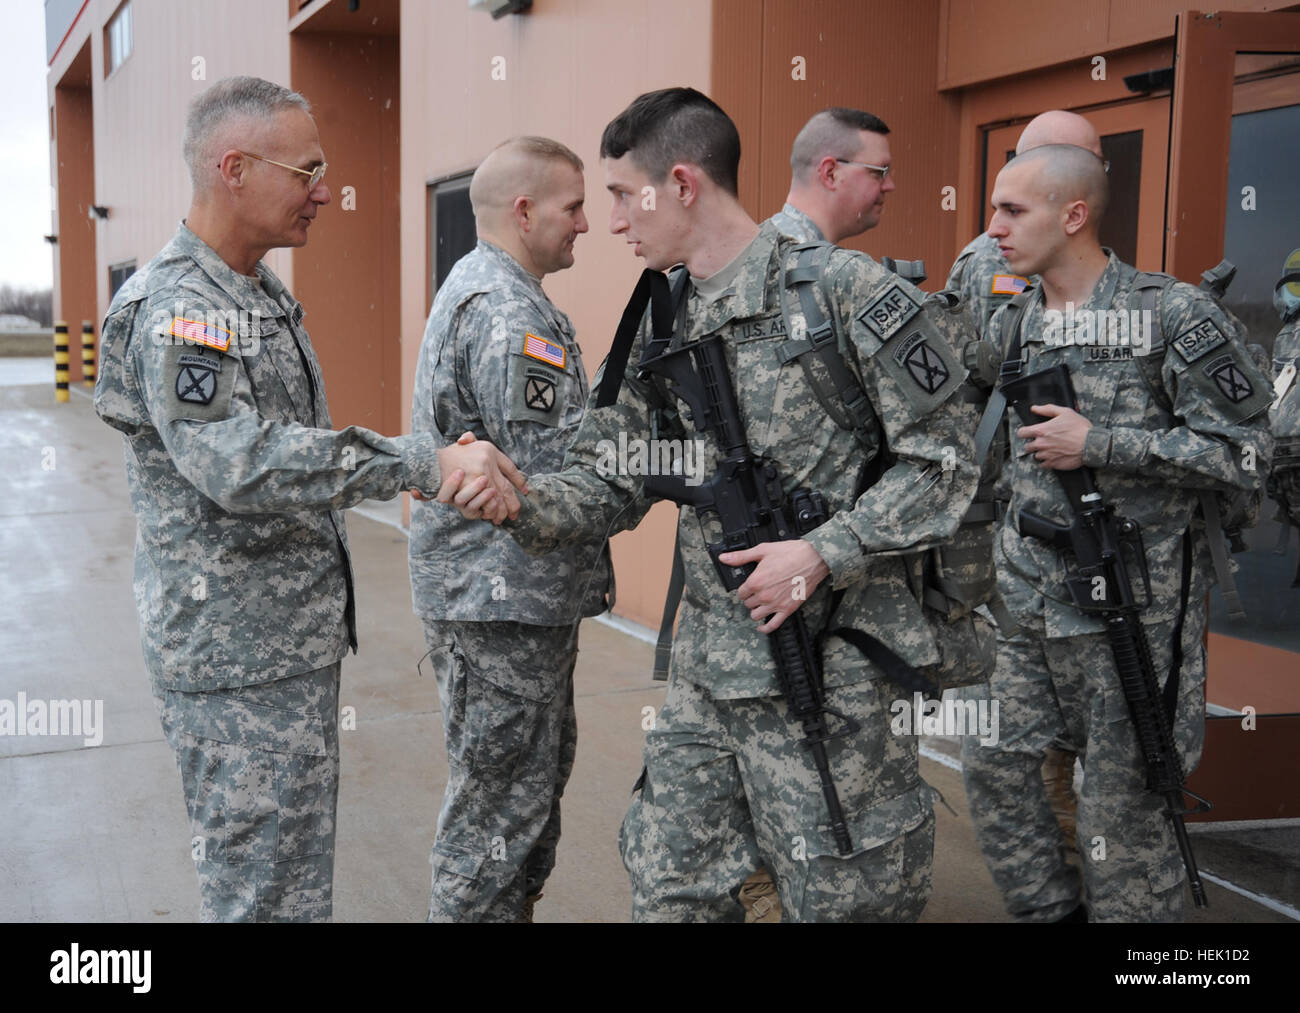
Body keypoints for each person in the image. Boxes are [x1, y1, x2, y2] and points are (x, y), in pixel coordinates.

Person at [445, 87, 979, 922]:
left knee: (846, 900)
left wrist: (822, 551)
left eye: (624, 195)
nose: (610, 220)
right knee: (669, 887)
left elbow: (946, 460)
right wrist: (516, 500)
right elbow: (613, 472)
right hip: (707, 676)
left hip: (832, 675)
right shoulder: (660, 315)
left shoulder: (845, 295)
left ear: (683, 184)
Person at [93, 76, 523, 922]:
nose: (325, 190)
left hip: (281, 647)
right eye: (308, 170)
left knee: (289, 885)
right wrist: (417, 464)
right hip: (234, 661)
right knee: (261, 895)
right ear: (236, 168)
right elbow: (240, 462)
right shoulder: (185, 307)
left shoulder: (254, 291)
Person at [960, 144, 1273, 921]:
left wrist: (1100, 443)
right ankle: (1050, 912)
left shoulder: (1173, 314)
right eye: (994, 208)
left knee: (1120, 813)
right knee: (993, 765)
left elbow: (1247, 452)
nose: (992, 227)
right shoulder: (1015, 320)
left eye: (1011, 210)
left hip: (1131, 612)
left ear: (1074, 215)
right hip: (1025, 605)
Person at [409, 136, 612, 923]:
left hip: (509, 601)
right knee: (497, 815)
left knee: (523, 794)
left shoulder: (485, 284)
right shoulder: (506, 313)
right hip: (502, 603)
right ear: (524, 211)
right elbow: (547, 477)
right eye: (573, 207)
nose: (587, 224)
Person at [948, 110, 1106, 849]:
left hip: (1050, 502)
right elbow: (987, 372)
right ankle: (1056, 838)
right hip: (1014, 502)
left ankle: (1061, 825)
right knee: (1026, 687)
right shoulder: (997, 260)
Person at [947, 110, 1105, 336]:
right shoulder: (991, 259)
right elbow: (986, 361)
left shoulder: (1081, 246)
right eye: (1080, 161)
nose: (1094, 173)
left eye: (1098, 163)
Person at [769, 107, 896, 245]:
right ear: (830, 174)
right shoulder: (809, 261)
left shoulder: (759, 246)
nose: (889, 185)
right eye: (878, 172)